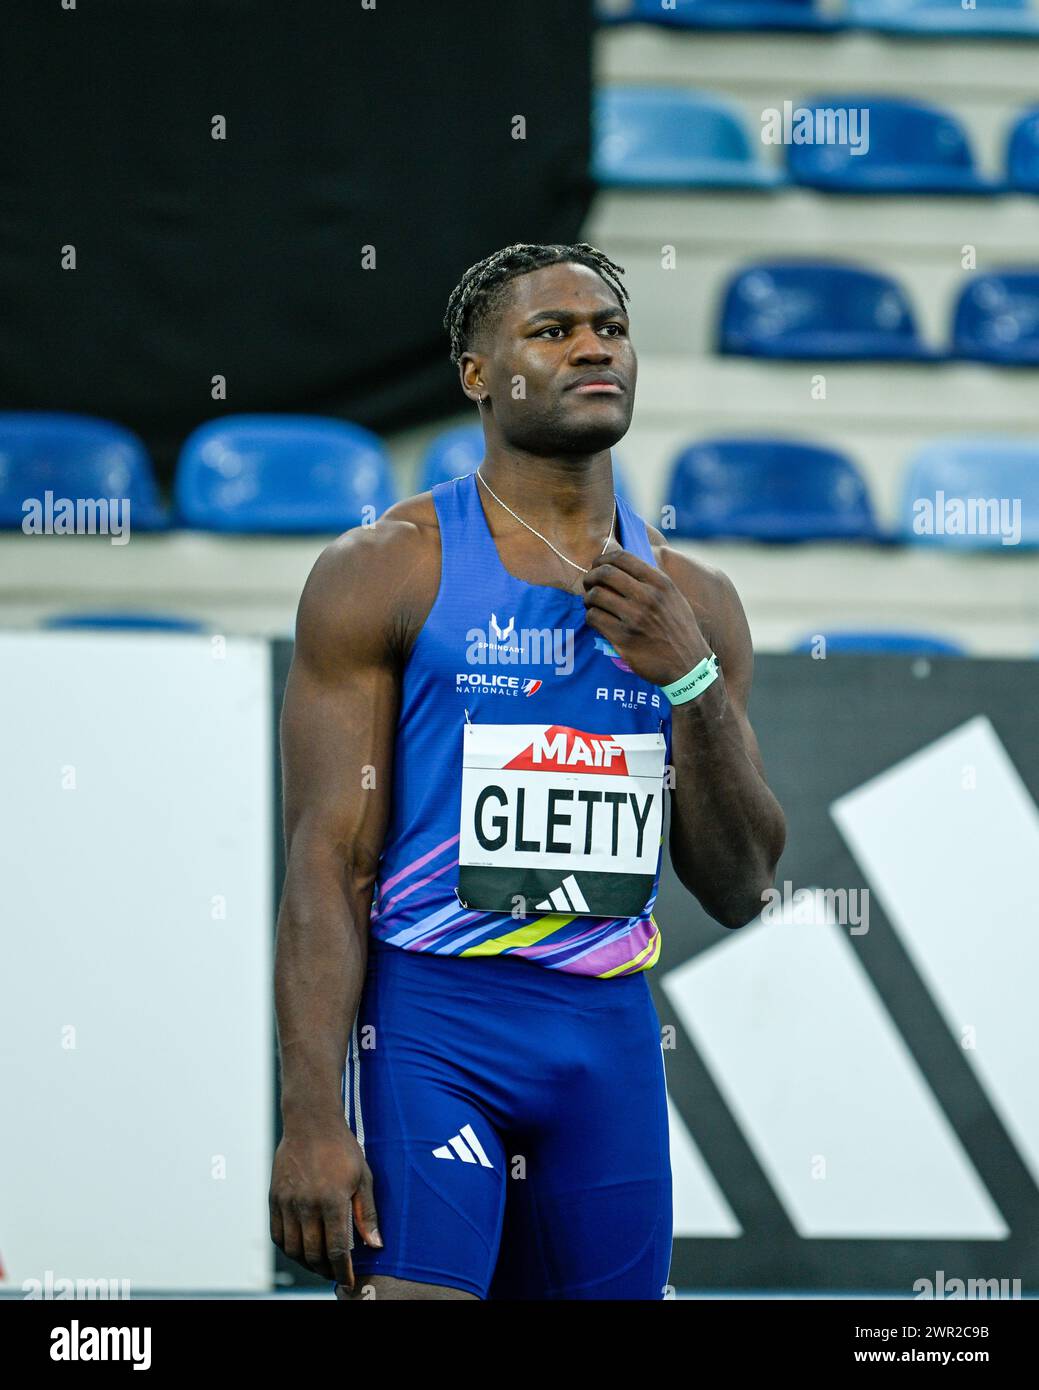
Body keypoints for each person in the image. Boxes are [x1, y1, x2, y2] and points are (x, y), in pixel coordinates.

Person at [268, 242, 786, 1300]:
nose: (593, 347)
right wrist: (311, 1115)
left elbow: (738, 887)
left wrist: (688, 677)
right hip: (431, 1022)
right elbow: (328, 861)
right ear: (475, 374)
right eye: (552, 331)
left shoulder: (697, 601)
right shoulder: (385, 569)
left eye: (610, 328)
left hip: (605, 1039)